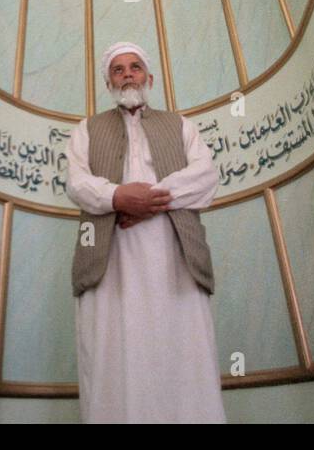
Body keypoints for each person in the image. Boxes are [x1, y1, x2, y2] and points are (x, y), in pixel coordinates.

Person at [65, 40, 226, 423]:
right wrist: (119, 196)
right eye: (118, 70)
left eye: (134, 67)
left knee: (182, 353)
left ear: (149, 77)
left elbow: (206, 177)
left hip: (175, 255)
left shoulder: (181, 125)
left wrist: (148, 201)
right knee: (113, 353)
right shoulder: (86, 130)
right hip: (110, 257)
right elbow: (77, 184)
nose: (127, 76)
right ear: (109, 83)